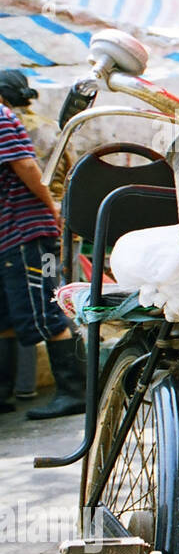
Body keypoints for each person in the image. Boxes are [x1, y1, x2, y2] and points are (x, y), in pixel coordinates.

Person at [0, 98, 83, 419]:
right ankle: (3, 393)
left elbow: (26, 165)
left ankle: (74, 392)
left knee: (44, 309)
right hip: (11, 235)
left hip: (26, 230)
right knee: (7, 316)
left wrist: (51, 209)